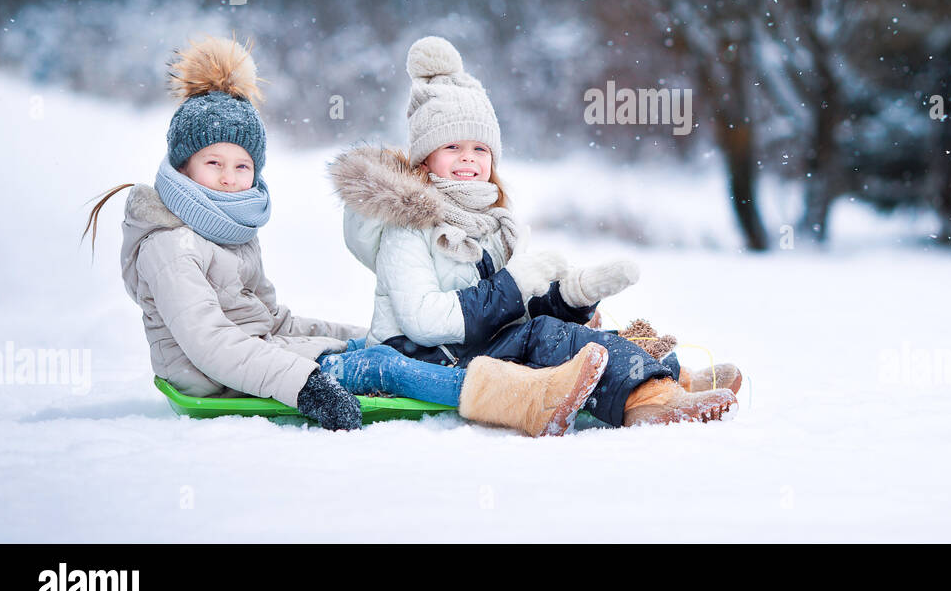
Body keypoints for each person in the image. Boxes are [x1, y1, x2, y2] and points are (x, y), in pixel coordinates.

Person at [83, 35, 607, 436]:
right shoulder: (171, 244)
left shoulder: (225, 230)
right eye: (212, 162)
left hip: (258, 356)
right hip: (214, 376)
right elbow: (211, 343)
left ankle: (585, 379)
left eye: (242, 165)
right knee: (389, 368)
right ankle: (517, 399)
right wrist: (304, 383)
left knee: (376, 353)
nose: (228, 177)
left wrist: (350, 335)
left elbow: (271, 321)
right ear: (183, 165)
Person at [329, 35, 739, 428]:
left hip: (471, 346)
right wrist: (512, 283)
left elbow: (514, 309)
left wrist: (571, 295)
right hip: (425, 358)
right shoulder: (408, 228)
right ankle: (648, 401)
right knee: (544, 338)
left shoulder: (494, 223)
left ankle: (667, 378)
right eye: (452, 147)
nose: (468, 159)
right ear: (424, 161)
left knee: (571, 332)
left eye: (480, 148)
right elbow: (423, 320)